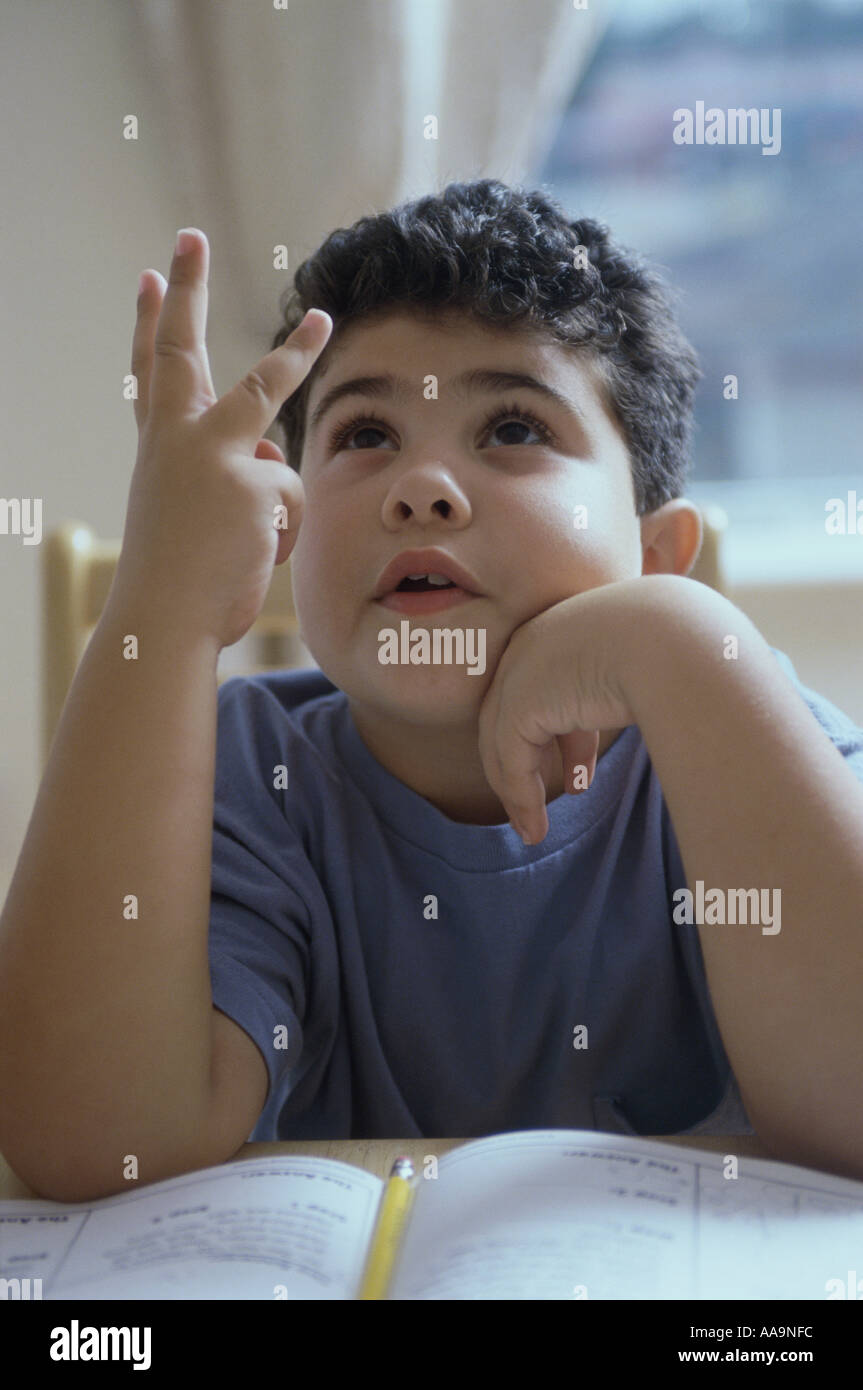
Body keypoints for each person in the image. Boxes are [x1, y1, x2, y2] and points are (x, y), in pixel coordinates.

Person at [2, 181, 863, 1205]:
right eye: (365, 435)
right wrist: (161, 598)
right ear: (287, 529)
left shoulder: (747, 749)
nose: (423, 487)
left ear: (653, 554)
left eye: (509, 427)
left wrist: (680, 643)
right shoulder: (249, 773)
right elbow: (94, 1142)